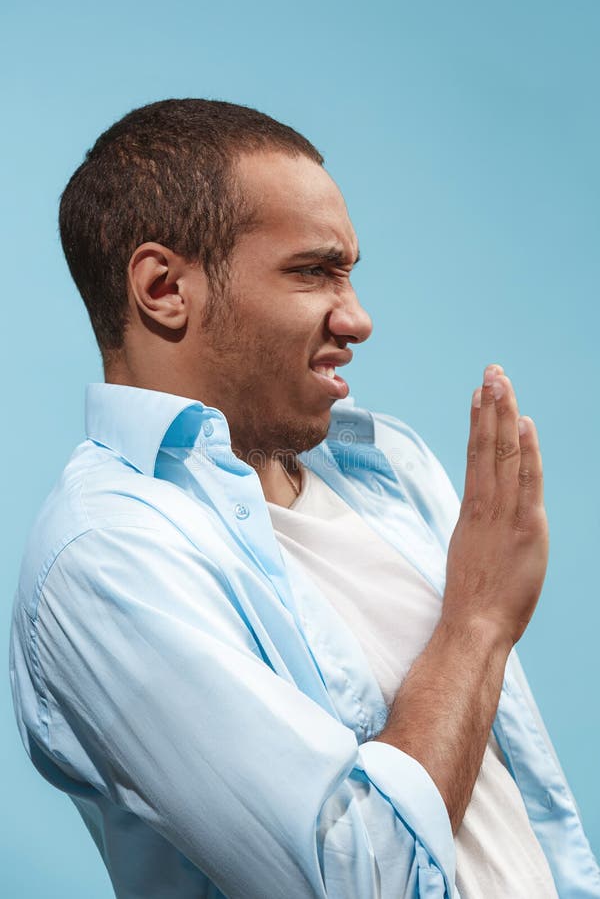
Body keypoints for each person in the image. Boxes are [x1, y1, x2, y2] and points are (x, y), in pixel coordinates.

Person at [9, 98, 599, 899]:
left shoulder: (389, 464)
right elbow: (357, 880)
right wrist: (478, 620)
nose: (356, 318)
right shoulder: (105, 560)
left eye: (349, 272)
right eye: (314, 272)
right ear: (164, 288)